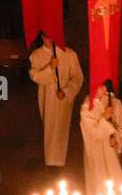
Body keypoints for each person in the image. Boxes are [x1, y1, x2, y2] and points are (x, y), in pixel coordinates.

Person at [27, 36, 84, 167]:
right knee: (50, 128)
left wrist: (67, 91)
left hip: (63, 98)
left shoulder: (69, 54)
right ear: (42, 38)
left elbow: (78, 76)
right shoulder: (36, 55)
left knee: (62, 128)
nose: (50, 40)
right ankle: (50, 163)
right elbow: (35, 76)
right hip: (47, 97)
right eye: (46, 37)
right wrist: (50, 68)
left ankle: (60, 163)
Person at [79, 82, 122, 195]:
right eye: (99, 86)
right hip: (96, 154)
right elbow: (92, 134)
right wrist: (104, 118)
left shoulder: (115, 103)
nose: (102, 90)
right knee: (99, 185)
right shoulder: (86, 107)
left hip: (111, 154)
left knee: (114, 182)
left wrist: (117, 137)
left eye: (104, 87)